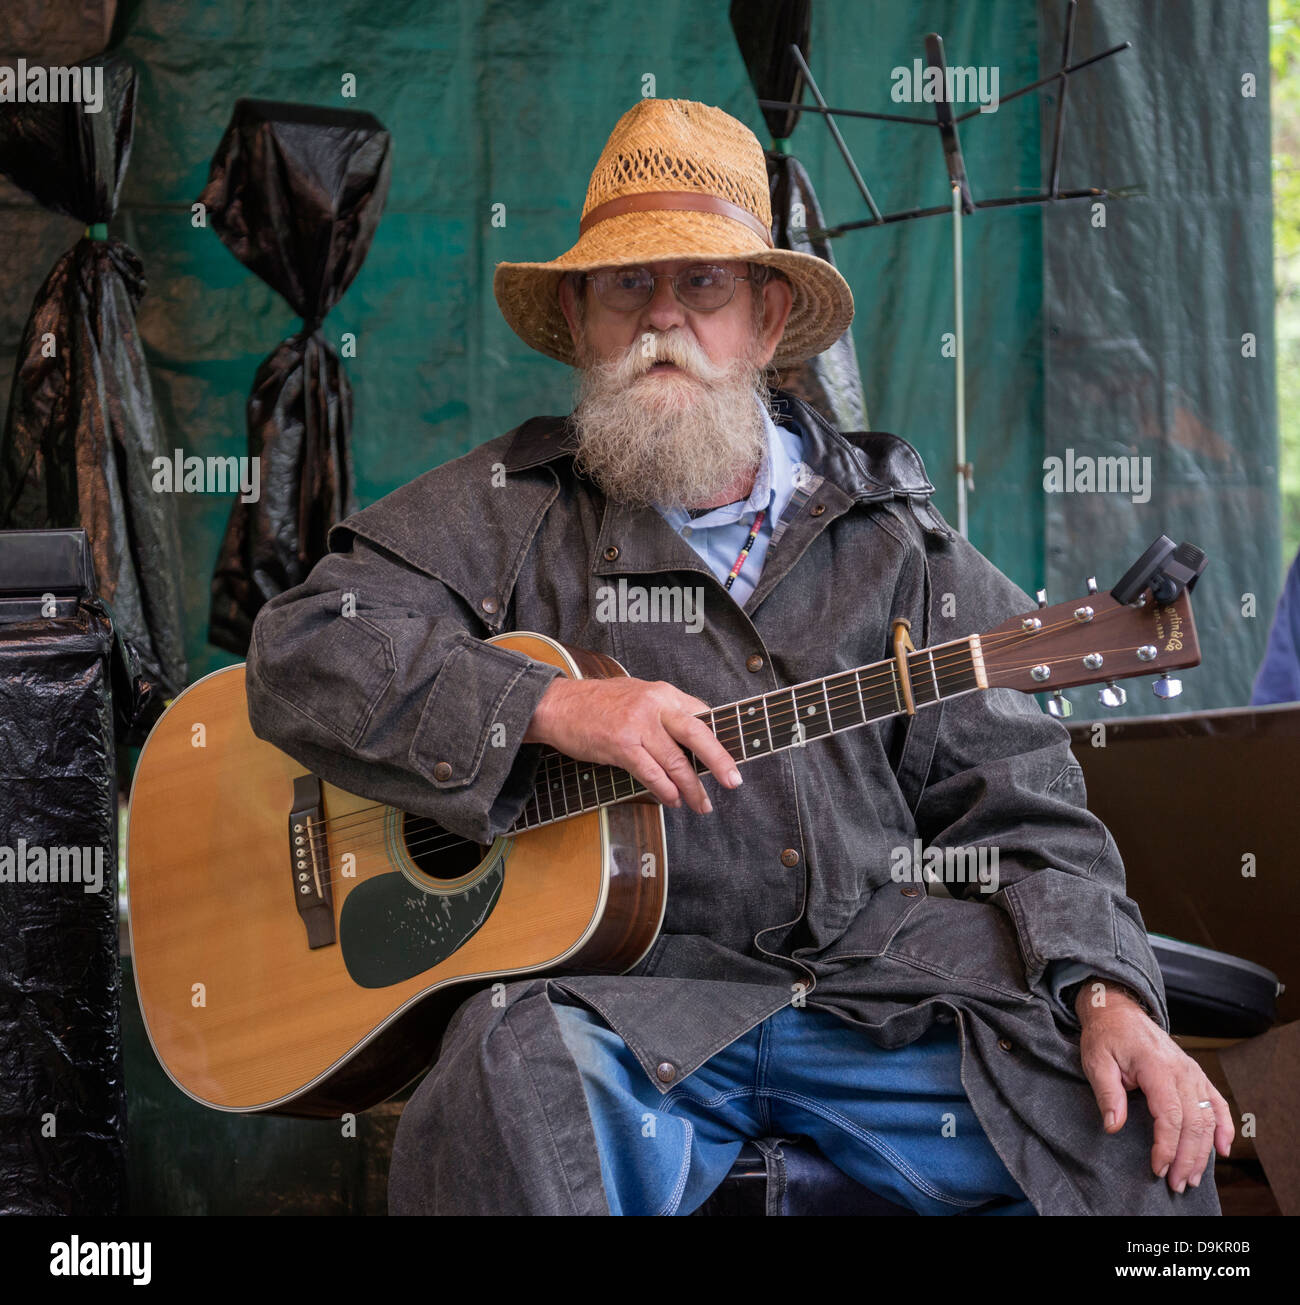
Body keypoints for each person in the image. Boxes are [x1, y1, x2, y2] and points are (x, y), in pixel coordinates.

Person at [245, 98, 1231, 1215]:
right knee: (503, 1082)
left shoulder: (903, 549)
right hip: (616, 1015)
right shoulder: (499, 512)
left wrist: (1110, 997)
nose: (664, 316)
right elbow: (302, 650)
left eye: (702, 283)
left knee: (1135, 1141)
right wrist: (542, 710)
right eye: (627, 285)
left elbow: (1030, 815)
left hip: (875, 1004)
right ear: (579, 318)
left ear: (767, 320)